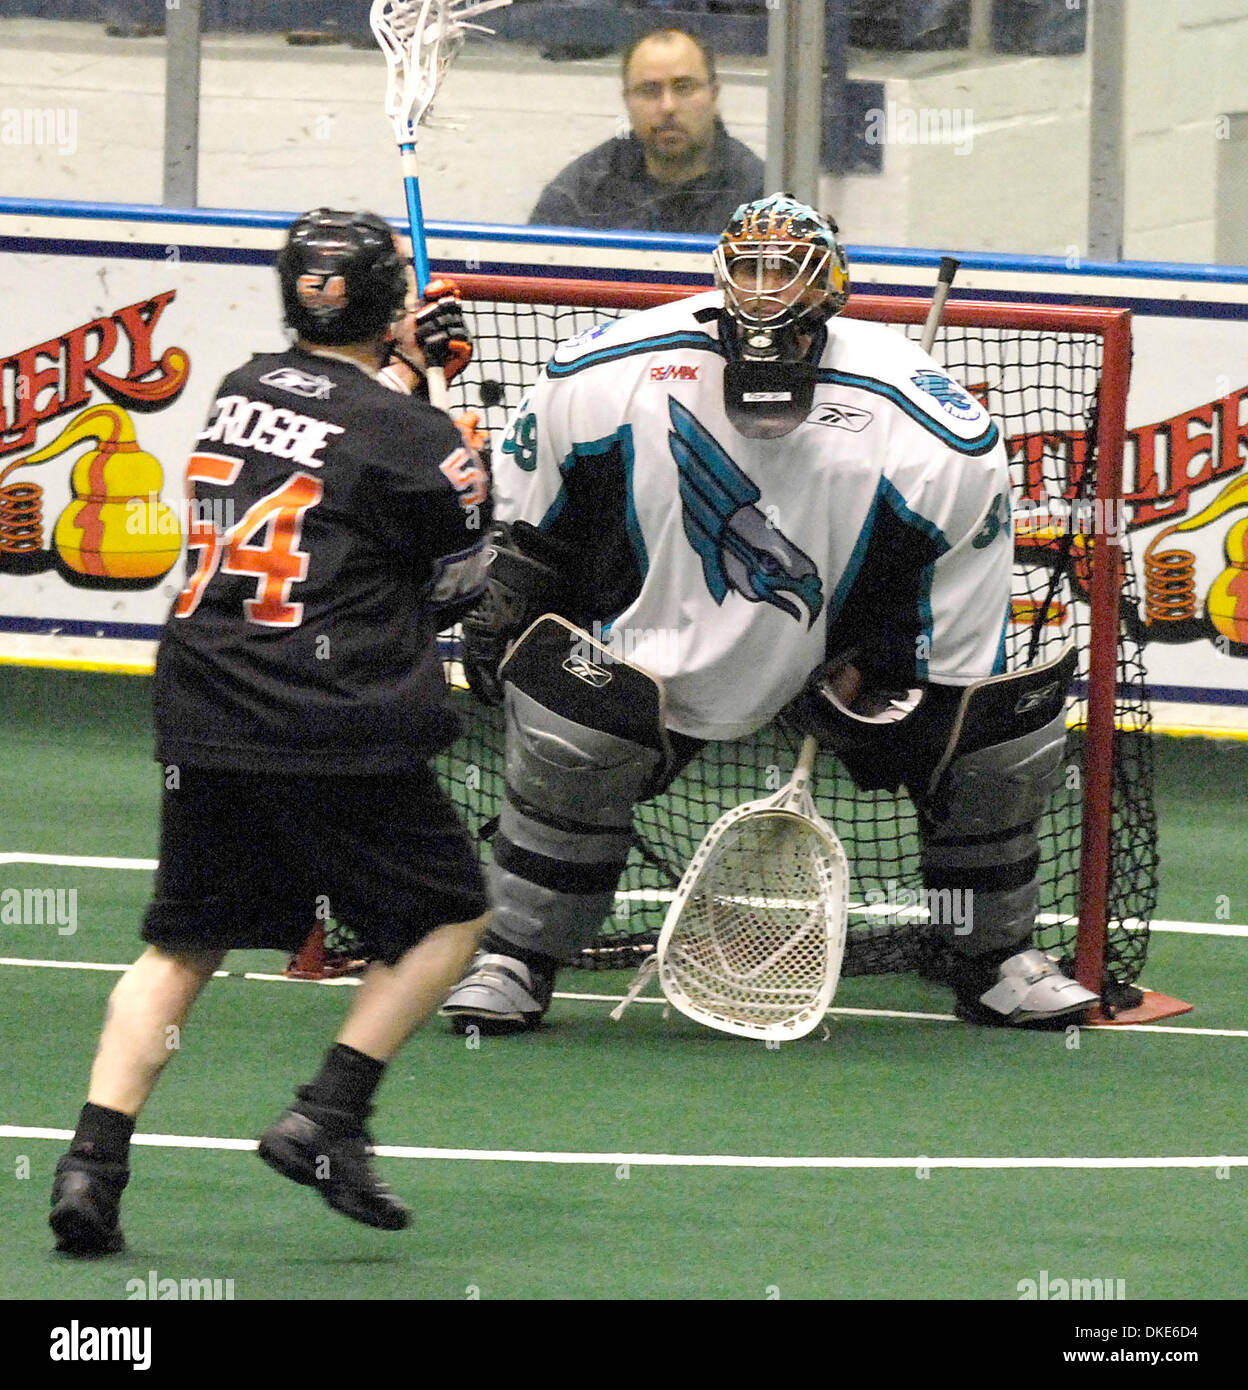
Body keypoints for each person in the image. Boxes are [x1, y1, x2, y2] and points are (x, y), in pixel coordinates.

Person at [443, 192, 1100, 1036]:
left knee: (1008, 732)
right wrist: (512, 621)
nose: (764, 296)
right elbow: (536, 539)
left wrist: (885, 670)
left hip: (839, 647)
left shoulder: (937, 431)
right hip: (643, 645)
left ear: (831, 297)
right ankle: (517, 954)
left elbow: (953, 630)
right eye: (748, 271)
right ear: (719, 285)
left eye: (784, 275)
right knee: (571, 728)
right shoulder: (600, 375)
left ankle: (988, 955)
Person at [48, 208, 493, 1255]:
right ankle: (330, 1113)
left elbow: (334, 450)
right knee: (449, 916)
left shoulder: (241, 385)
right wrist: (430, 397)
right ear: (387, 306)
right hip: (329, 722)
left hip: (203, 706)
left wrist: (401, 378)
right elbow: (459, 579)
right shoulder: (417, 437)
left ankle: (91, 1164)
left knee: (182, 943)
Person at [529, 28, 764, 234]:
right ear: (627, 101)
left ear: (714, 95)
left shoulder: (762, 200)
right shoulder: (579, 197)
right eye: (649, 91)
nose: (668, 106)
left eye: (684, 87)